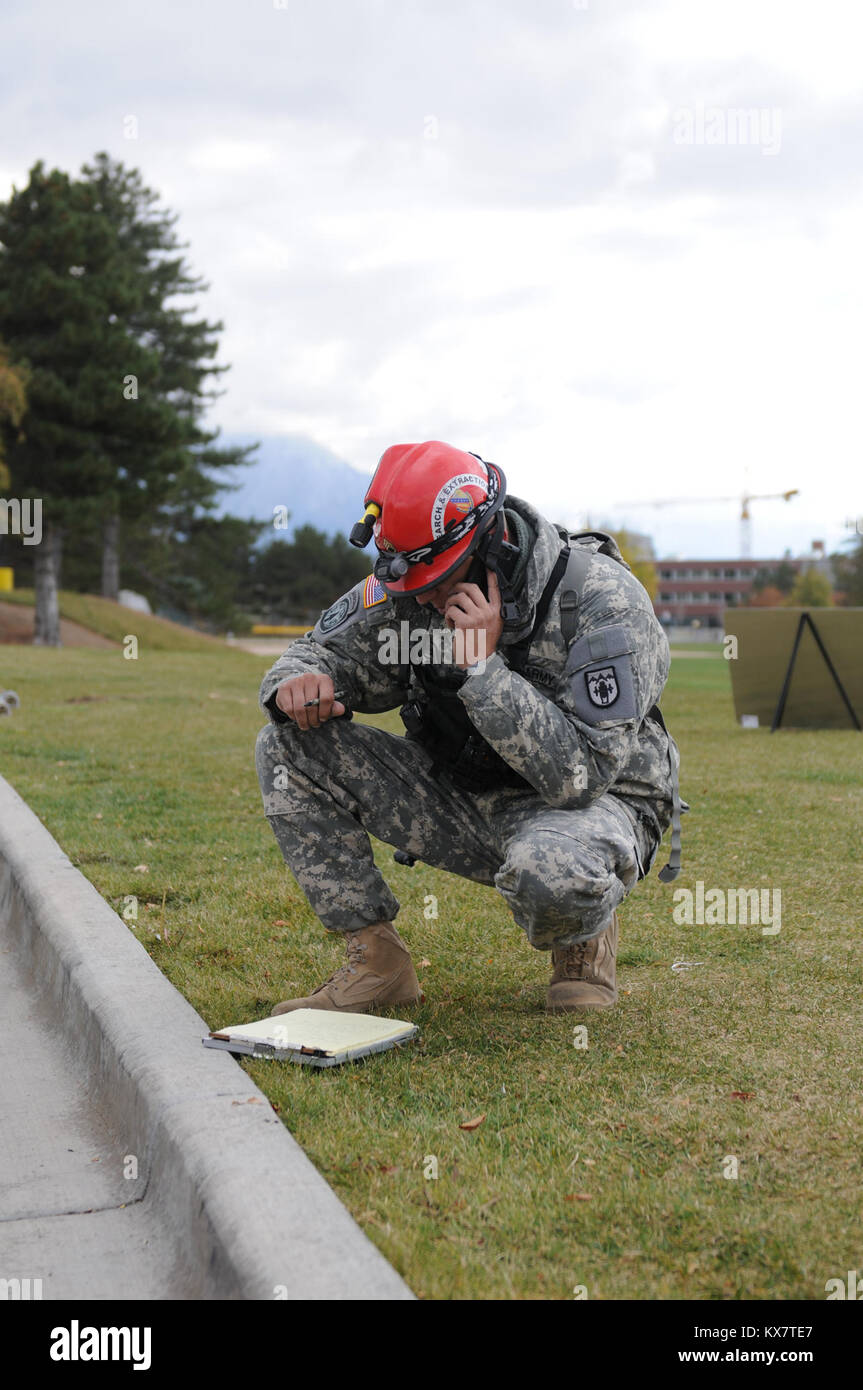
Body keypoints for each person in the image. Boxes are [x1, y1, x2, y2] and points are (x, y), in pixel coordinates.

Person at [255, 440, 683, 1016]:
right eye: (414, 586)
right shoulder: (414, 580)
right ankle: (378, 964)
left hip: (589, 809)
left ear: (490, 545)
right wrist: (300, 682)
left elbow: (583, 775)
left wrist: (482, 670)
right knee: (286, 747)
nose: (424, 599)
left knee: (552, 871)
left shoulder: (601, 602)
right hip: (468, 787)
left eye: (438, 581)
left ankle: (583, 936)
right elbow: (318, 650)